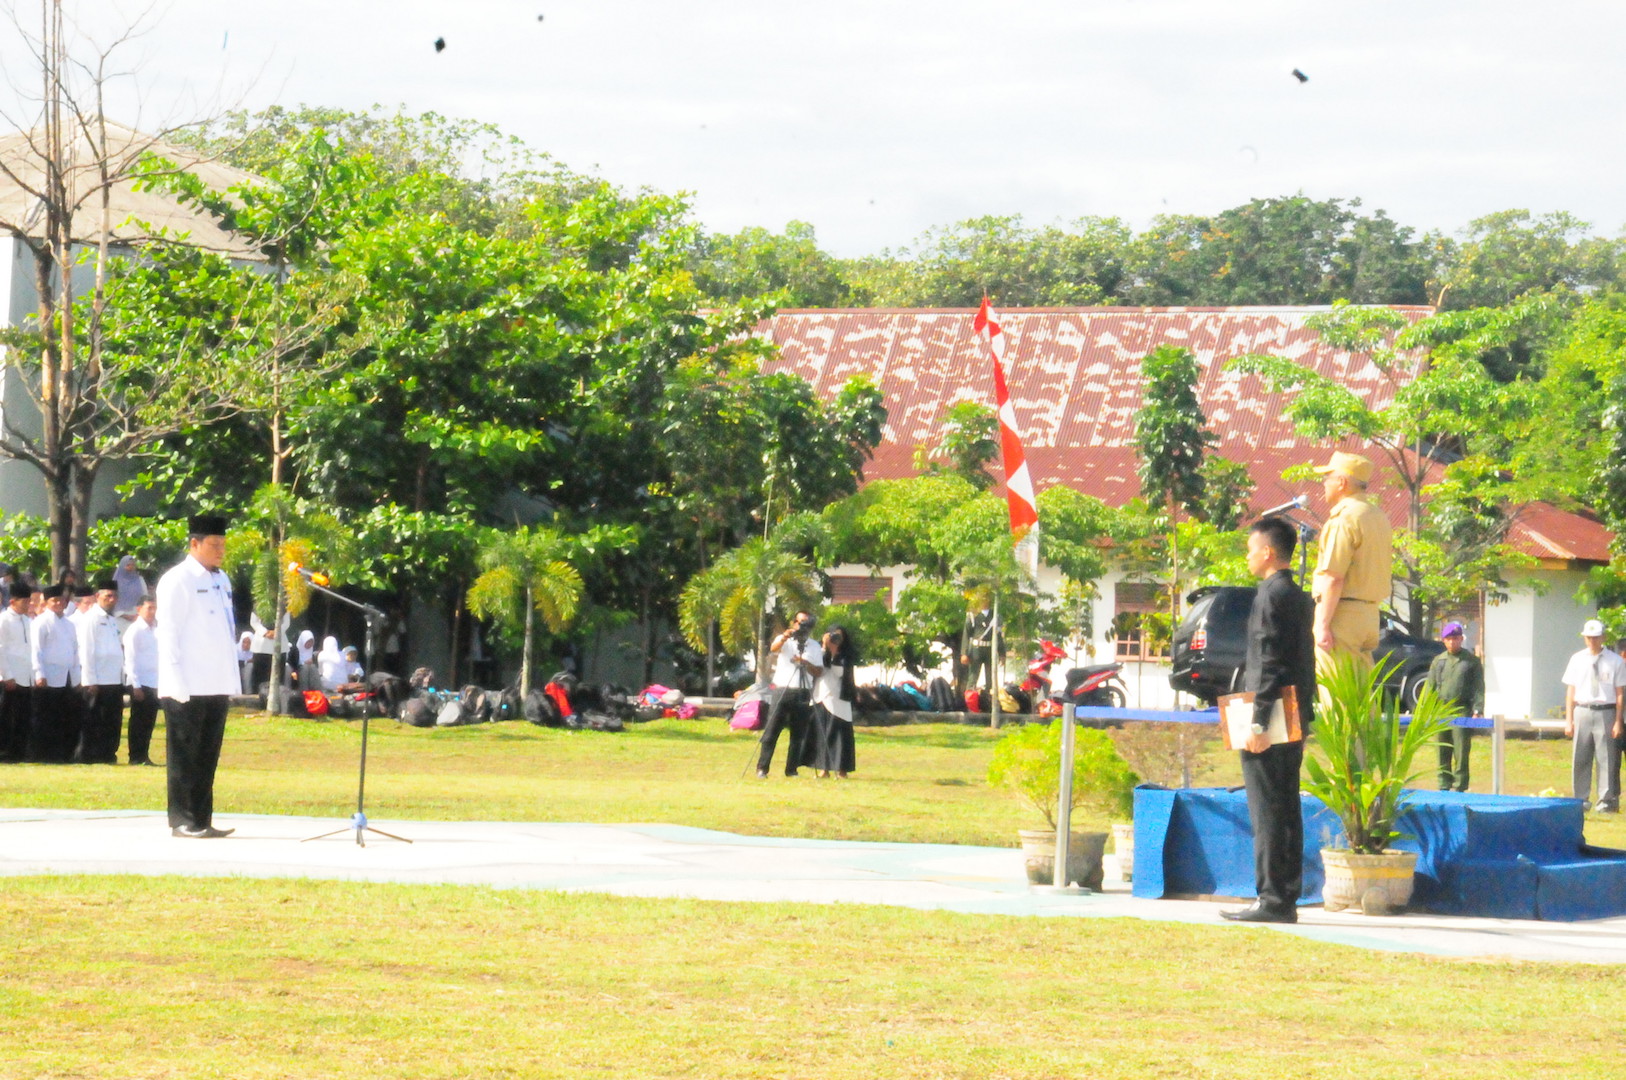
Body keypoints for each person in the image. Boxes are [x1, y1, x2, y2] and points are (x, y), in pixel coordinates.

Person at [1223, 517, 1315, 925]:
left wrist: (1257, 722)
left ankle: (1271, 898)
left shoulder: (1269, 594)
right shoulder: (1297, 595)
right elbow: (1304, 663)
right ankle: (1286, 896)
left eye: (1250, 549)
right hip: (1294, 710)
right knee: (1286, 806)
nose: (1247, 557)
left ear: (1268, 552)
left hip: (1271, 714)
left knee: (1267, 810)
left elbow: (1266, 661)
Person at [156, 515, 241, 839]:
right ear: (195, 543)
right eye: (214, 544)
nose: (220, 550)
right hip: (187, 683)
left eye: (223, 545)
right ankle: (182, 820)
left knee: (207, 755)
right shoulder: (177, 579)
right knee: (184, 757)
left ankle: (202, 819)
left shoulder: (222, 580)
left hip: (215, 682)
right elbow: (168, 633)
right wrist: (174, 679)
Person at [1309, 451, 1393, 676]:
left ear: (1341, 482)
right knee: (1361, 690)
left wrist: (1322, 624)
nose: (1324, 483)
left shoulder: (1344, 519)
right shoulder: (1377, 516)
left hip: (1343, 614)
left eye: (1327, 477)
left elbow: (1333, 577)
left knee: (1336, 690)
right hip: (1370, 614)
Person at [1562, 619, 1626, 814]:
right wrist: (1569, 720)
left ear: (1603, 637)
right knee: (1580, 756)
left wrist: (1618, 720)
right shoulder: (1577, 659)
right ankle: (1580, 799)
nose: (1592, 641)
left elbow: (1620, 693)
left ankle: (1606, 801)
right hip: (1582, 710)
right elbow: (1570, 691)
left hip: (1606, 710)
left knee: (1606, 758)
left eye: (1596, 637)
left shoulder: (1615, 661)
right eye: (1589, 637)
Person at [756, 610, 823, 778]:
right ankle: (762, 768)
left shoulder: (814, 646)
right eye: (800, 622)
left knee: (798, 734)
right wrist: (786, 636)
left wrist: (805, 663)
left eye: (807, 624)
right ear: (794, 623)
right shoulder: (785, 639)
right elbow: (773, 649)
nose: (803, 627)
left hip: (803, 690)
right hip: (782, 689)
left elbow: (819, 671)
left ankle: (791, 769)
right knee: (772, 730)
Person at [1427, 621, 1485, 793]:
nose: (1453, 642)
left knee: (1461, 750)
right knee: (1442, 749)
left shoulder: (1471, 661)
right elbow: (1430, 687)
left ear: (1461, 639)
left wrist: (1478, 709)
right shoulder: (1439, 661)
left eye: (1456, 638)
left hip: (1461, 709)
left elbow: (1478, 687)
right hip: (1441, 710)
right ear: (1444, 640)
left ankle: (1460, 785)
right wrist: (1427, 710)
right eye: (1449, 639)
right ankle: (1443, 784)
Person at [74, 578, 125, 764]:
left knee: (112, 720)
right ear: (97, 596)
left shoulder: (112, 620)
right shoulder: (91, 618)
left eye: (115, 596)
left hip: (113, 678)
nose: (112, 600)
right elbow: (86, 650)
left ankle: (107, 754)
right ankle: (87, 755)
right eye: (108, 596)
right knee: (93, 719)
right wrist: (90, 679)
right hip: (98, 679)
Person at [28, 583, 80, 763]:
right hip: (48, 676)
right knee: (46, 717)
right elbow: (36, 650)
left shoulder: (69, 624)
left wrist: (77, 677)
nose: (58, 603)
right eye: (54, 600)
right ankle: (43, 754)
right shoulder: (41, 622)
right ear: (47, 602)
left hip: (66, 676)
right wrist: (39, 673)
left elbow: (74, 651)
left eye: (61, 600)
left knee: (64, 717)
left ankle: (63, 754)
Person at [805, 625, 858, 778]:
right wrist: (824, 646)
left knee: (840, 734)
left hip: (838, 698)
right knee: (821, 733)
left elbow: (839, 673)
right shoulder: (820, 651)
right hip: (821, 695)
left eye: (839, 636)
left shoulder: (846, 655)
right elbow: (816, 667)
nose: (836, 639)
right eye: (833, 636)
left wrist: (834, 652)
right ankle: (824, 769)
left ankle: (842, 770)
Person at [123, 595, 160, 766]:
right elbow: (130, 660)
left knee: (149, 721)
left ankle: (144, 754)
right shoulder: (135, 630)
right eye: (149, 608)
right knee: (138, 721)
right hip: (140, 682)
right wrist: (135, 685)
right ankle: (135, 756)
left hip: (154, 681)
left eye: (154, 608)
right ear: (139, 610)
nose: (152, 612)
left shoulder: (156, 629)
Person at [0, 581, 32, 762]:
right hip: (10, 677)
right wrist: (7, 675)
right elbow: (1, 649)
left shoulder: (27, 620)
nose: (28, 605)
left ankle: (19, 751)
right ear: (13, 601)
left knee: (22, 716)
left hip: (25, 676)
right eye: (24, 602)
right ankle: (4, 751)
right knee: (7, 716)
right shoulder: (4, 620)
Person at [960, 600, 998, 698]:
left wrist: (1002, 653)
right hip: (976, 650)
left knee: (991, 678)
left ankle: (989, 701)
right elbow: (966, 634)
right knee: (973, 677)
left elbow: (998, 635)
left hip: (990, 650)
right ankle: (970, 701)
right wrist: (964, 653)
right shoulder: (973, 615)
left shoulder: (994, 615)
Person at [113, 555, 146, 621]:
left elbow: (145, 597)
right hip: (119, 618)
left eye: (133, 565)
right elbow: (112, 600)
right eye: (128, 565)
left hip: (137, 617)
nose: (131, 567)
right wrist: (125, 616)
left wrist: (140, 614)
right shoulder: (115, 582)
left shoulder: (140, 580)